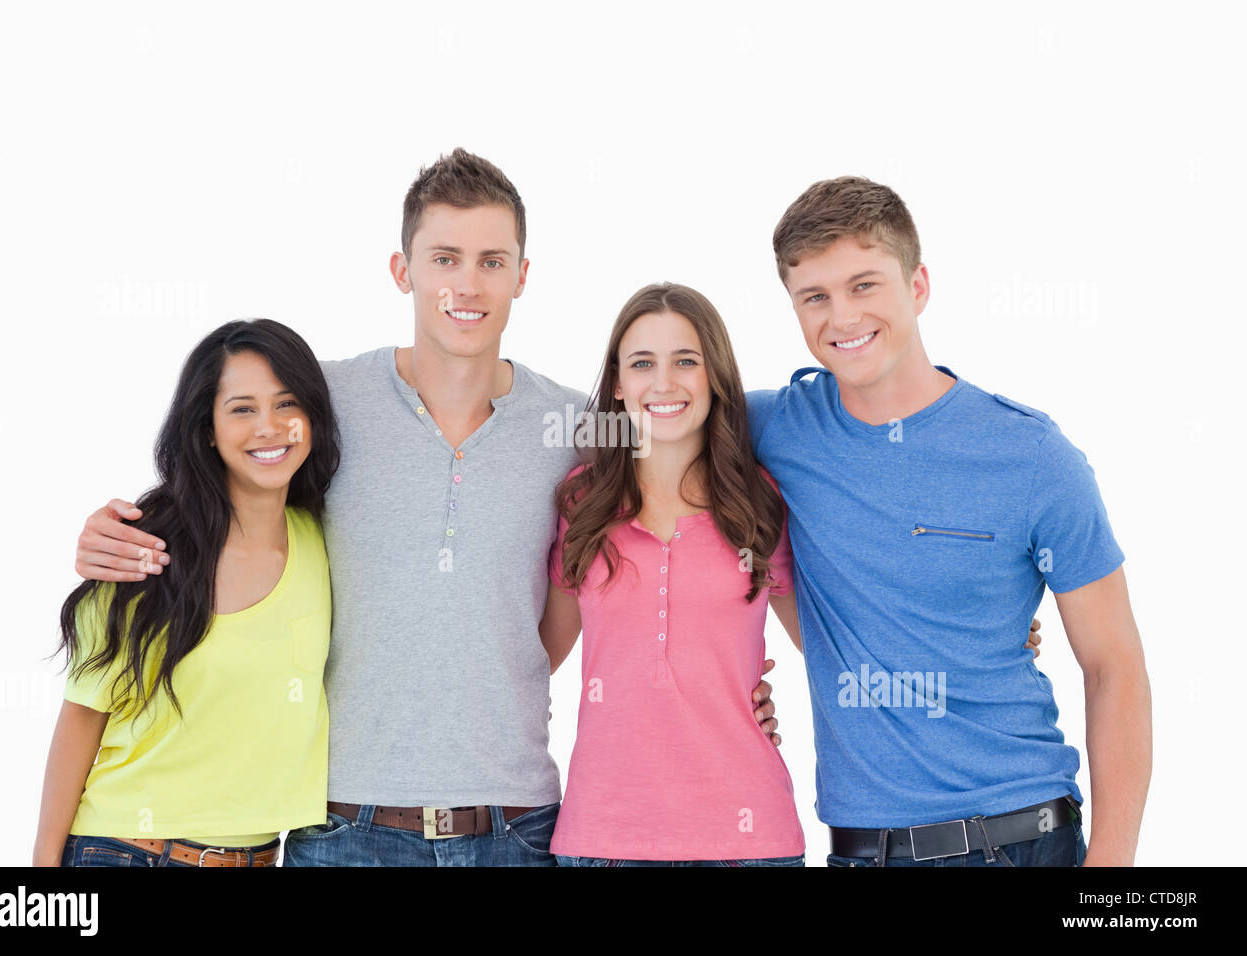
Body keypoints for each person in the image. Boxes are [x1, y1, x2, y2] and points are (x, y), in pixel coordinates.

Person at [67, 149, 783, 866]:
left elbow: (682, 463)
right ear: (402, 270)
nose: (467, 284)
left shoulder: (575, 427)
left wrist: (720, 693)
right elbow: (225, 462)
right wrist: (122, 531)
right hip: (345, 825)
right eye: (445, 258)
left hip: (516, 823)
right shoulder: (327, 399)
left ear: (522, 276)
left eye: (492, 261)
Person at [748, 176, 1151, 866]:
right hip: (859, 849)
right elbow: (640, 430)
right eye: (814, 297)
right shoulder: (773, 429)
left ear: (919, 285)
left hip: (1019, 838)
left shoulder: (1030, 455)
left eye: (864, 285)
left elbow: (1115, 667)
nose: (841, 317)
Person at [35, 319, 340, 867]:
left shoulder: (326, 544)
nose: (269, 427)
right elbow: (82, 718)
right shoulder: (145, 550)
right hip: (127, 850)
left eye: (287, 404)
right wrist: (42, 871)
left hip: (259, 858)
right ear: (207, 429)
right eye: (242, 408)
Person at [540, 283, 807, 866]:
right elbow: (535, 661)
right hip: (601, 840)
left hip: (750, 839)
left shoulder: (760, 502)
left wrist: (979, 631)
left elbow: (830, 643)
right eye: (642, 363)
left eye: (686, 361)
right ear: (617, 383)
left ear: (714, 375)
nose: (664, 383)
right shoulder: (580, 504)